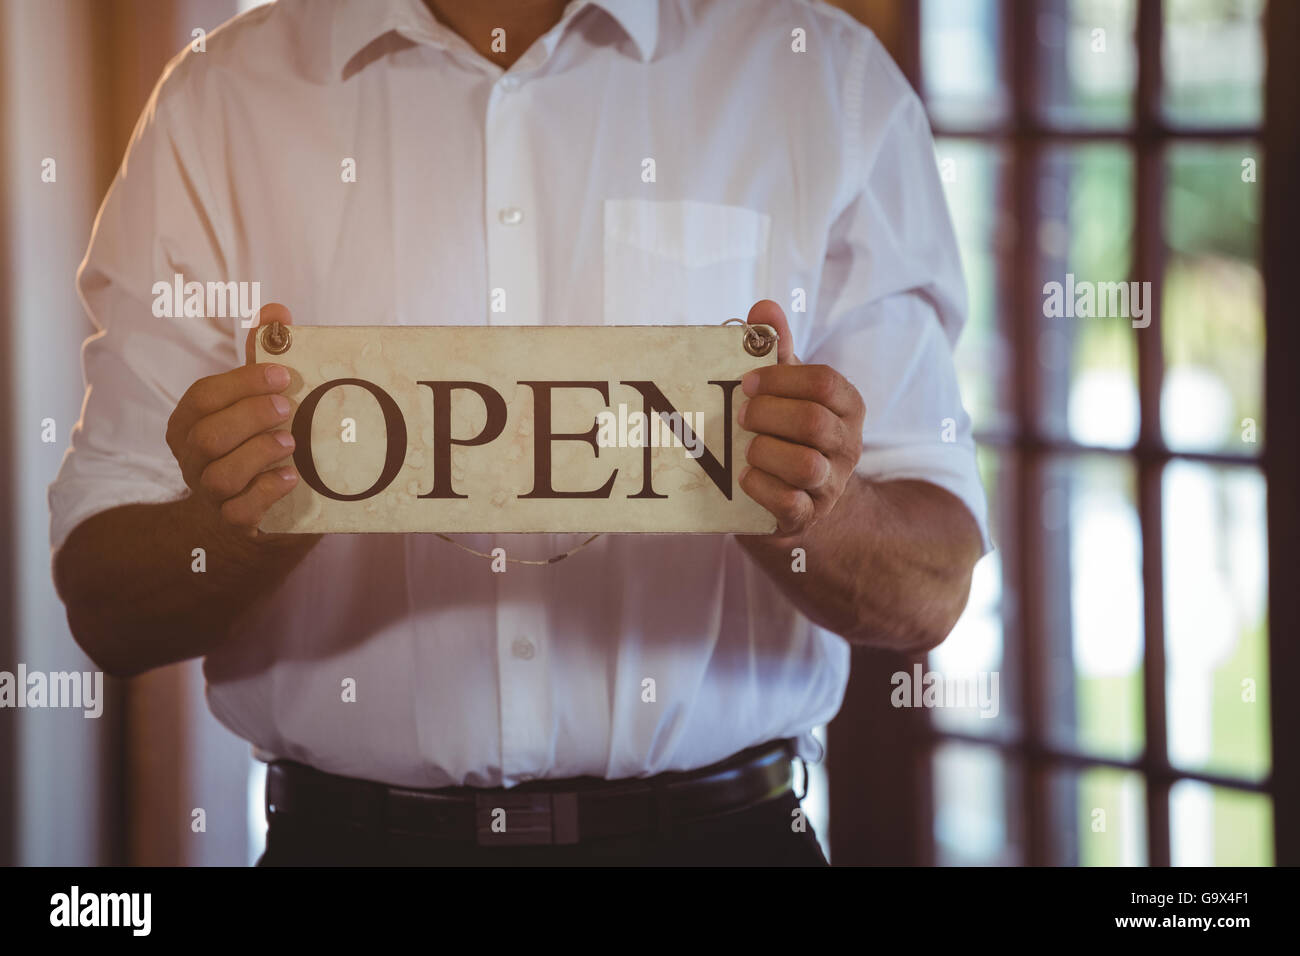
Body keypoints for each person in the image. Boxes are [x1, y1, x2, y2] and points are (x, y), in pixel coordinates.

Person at [50, 0, 989, 866]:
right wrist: (233, 529)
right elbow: (106, 607)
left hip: (726, 839)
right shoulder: (219, 96)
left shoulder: (819, 76)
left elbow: (932, 584)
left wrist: (810, 507)